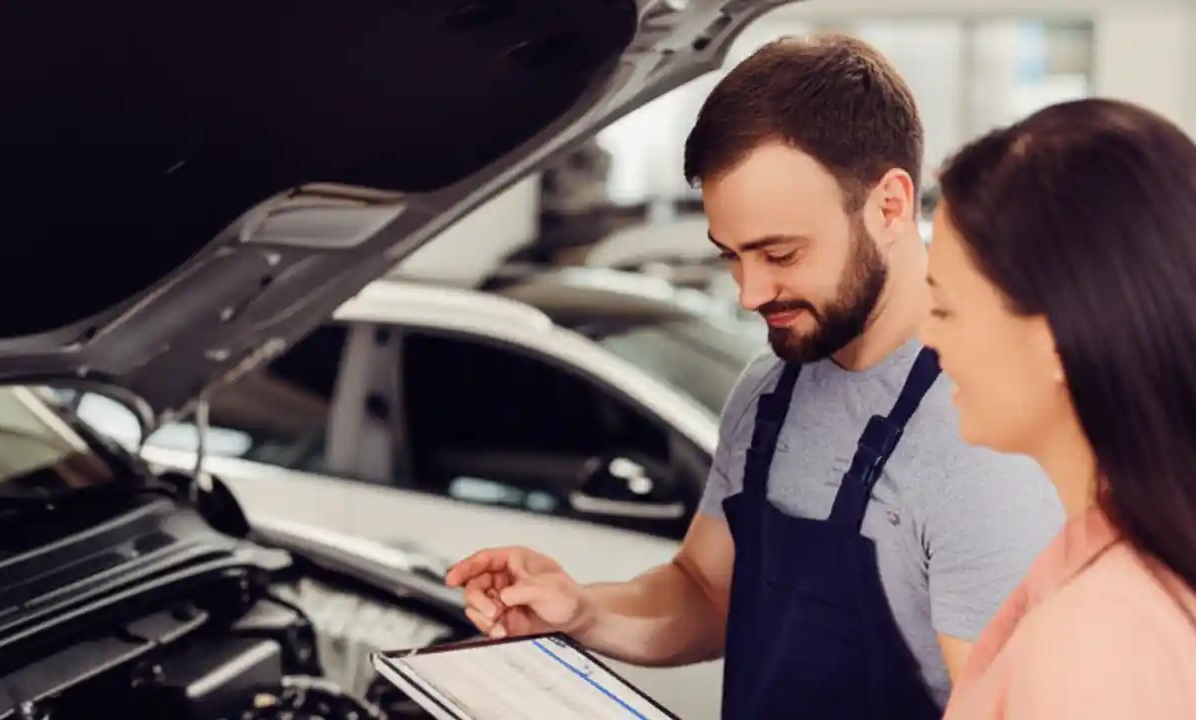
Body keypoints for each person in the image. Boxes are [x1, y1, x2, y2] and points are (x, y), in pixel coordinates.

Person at [445, 34, 1063, 718]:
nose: (749, 293)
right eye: (731, 257)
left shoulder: (977, 436)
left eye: (780, 252)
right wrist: (582, 609)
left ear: (890, 205)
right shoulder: (771, 390)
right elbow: (706, 593)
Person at [923, 98, 1196, 718]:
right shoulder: (1120, 565)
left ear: (1052, 340)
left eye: (945, 309)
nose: (927, 336)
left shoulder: (1099, 641)